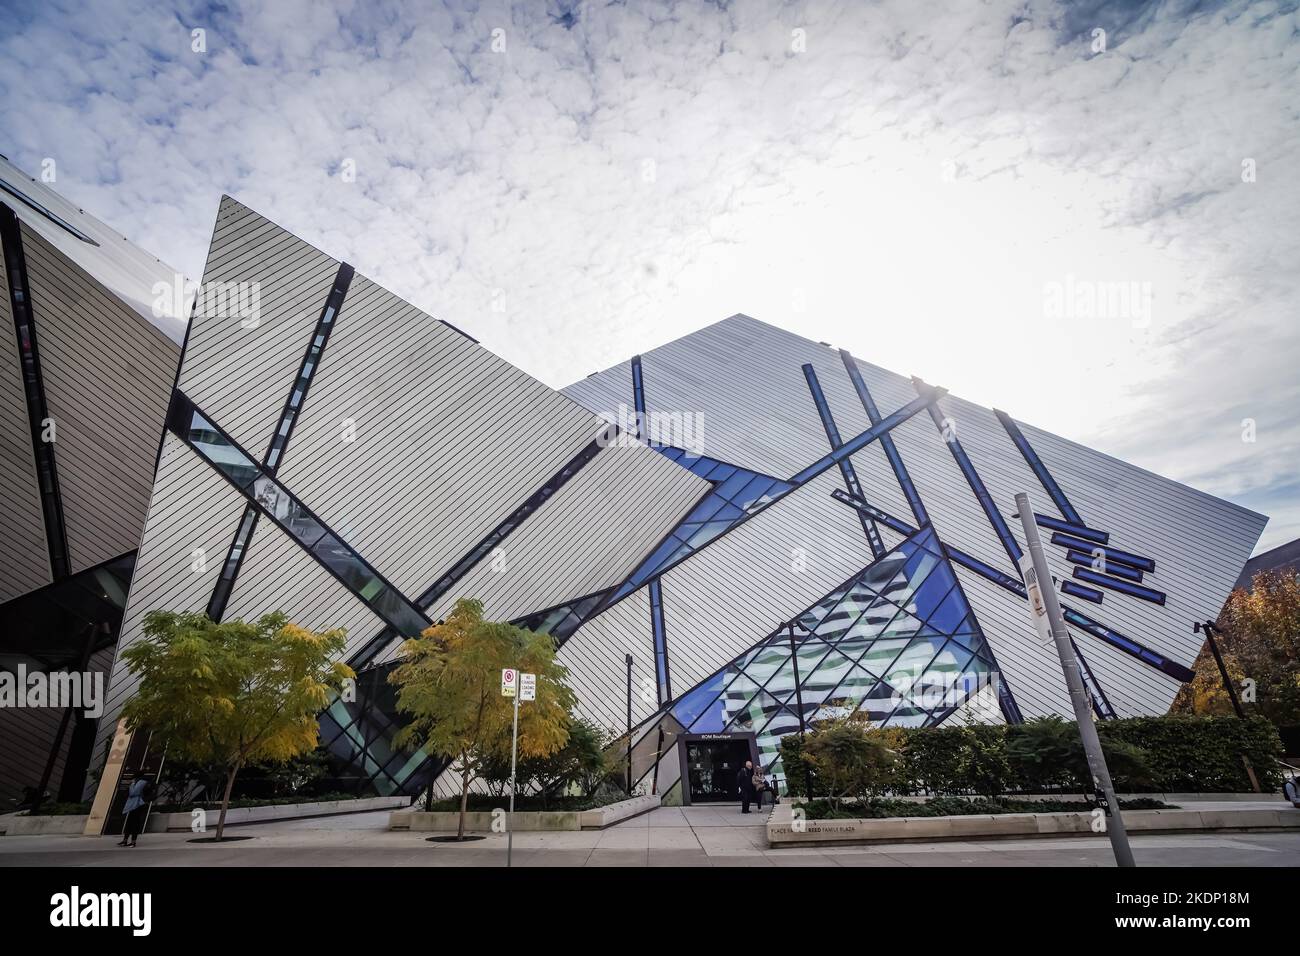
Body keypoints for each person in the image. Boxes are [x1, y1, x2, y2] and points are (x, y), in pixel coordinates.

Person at [118, 776, 152, 847]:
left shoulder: (140, 783)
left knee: (134, 823)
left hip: (137, 805)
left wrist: (132, 784)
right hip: (136, 805)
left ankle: (132, 842)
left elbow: (132, 793)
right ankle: (126, 840)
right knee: (130, 823)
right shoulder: (144, 783)